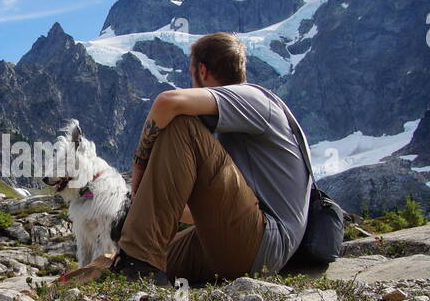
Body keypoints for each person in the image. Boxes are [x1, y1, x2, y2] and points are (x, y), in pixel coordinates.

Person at [111, 31, 312, 284]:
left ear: (202, 71)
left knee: (181, 123)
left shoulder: (255, 97)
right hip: (242, 247)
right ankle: (116, 270)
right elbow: (210, 212)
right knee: (115, 264)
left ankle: (137, 261)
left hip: (262, 242)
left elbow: (167, 102)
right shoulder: (241, 120)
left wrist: (138, 172)